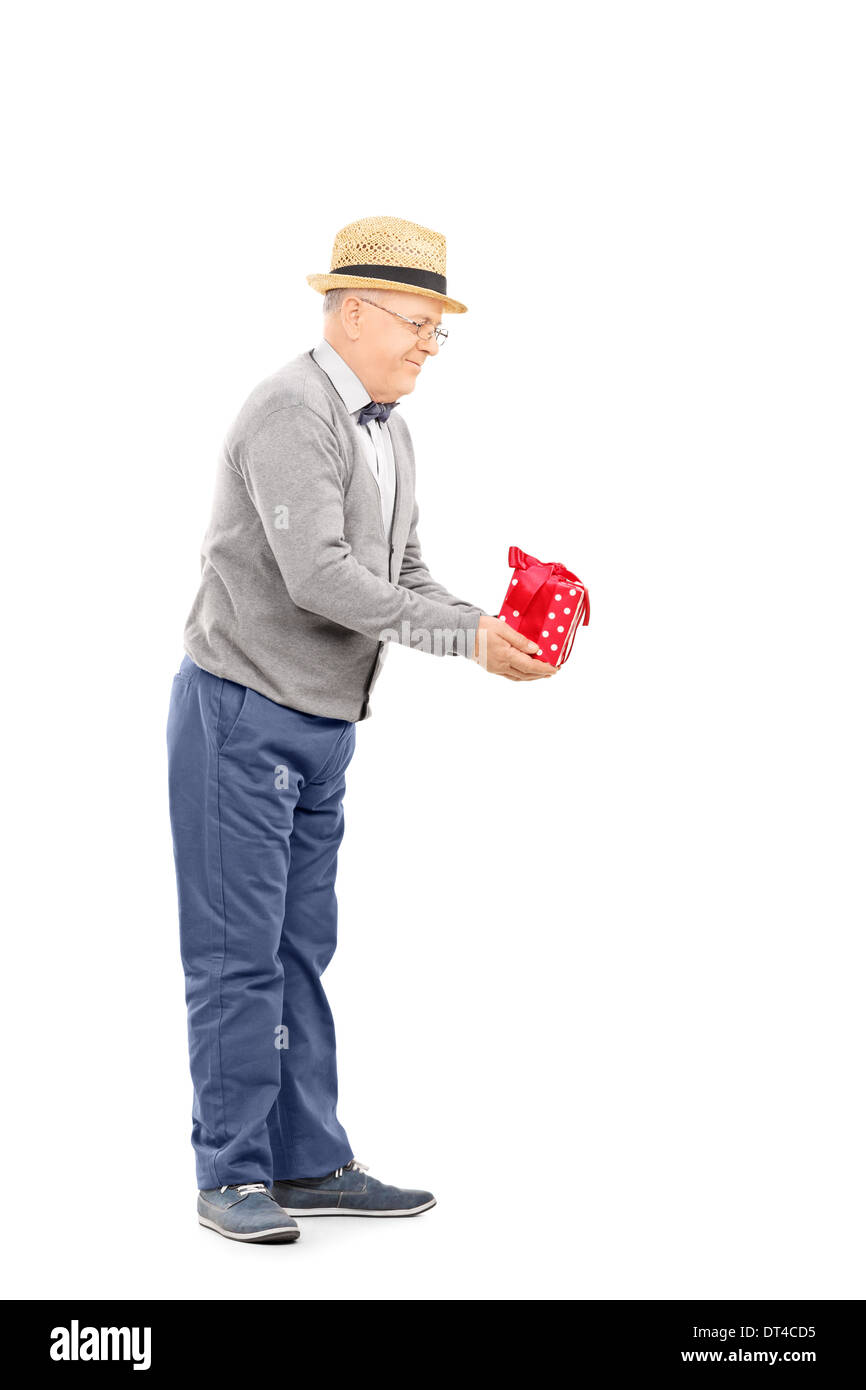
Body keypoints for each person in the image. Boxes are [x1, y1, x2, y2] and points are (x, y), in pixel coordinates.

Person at [166, 215, 558, 1244]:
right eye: (416, 322)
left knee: (299, 948)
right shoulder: (290, 410)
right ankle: (231, 1172)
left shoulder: (392, 427)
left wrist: (489, 624)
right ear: (347, 309)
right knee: (235, 953)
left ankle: (305, 1158)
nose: (429, 344)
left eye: (437, 327)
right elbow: (321, 580)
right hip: (241, 713)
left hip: (324, 723)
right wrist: (466, 639)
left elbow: (402, 577)